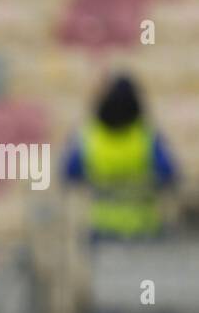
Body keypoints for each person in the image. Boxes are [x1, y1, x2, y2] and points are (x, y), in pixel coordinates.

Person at [64, 74, 177, 240]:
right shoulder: (147, 137)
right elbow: (169, 174)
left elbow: (69, 173)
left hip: (102, 229)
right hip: (144, 228)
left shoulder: (89, 137)